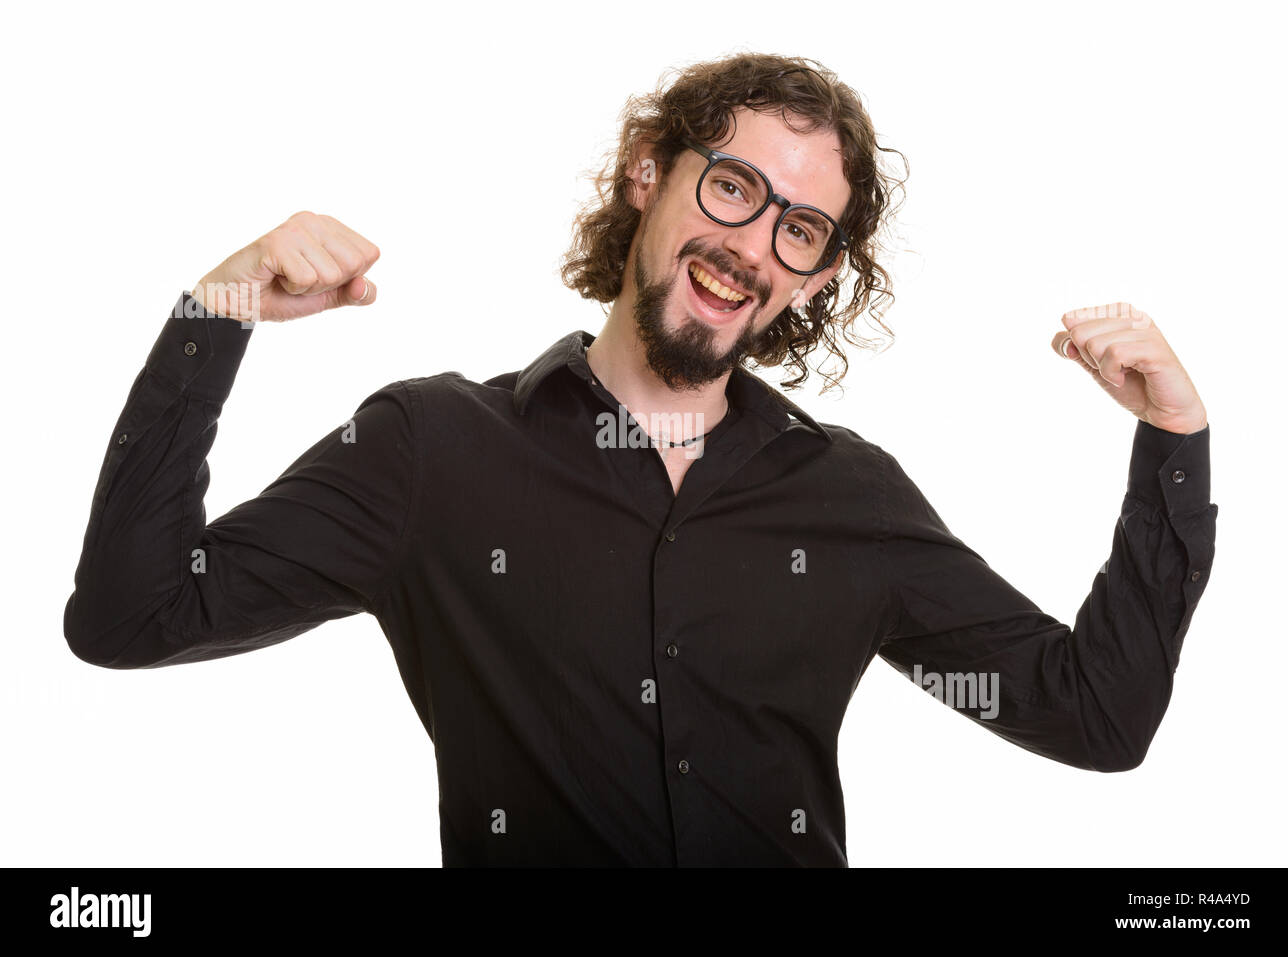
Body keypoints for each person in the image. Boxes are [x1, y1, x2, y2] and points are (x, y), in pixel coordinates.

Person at [63, 52, 1217, 867]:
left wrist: (1171, 439)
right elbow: (130, 616)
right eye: (732, 186)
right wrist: (217, 310)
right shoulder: (428, 451)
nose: (752, 245)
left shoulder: (847, 497)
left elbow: (1092, 719)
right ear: (646, 171)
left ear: (815, 279)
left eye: (798, 231)